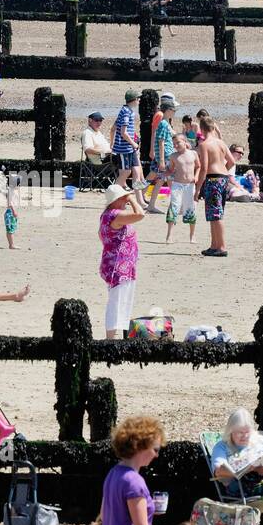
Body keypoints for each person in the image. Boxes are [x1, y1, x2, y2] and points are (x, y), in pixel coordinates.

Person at [99, 183, 142, 340]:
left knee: (123, 299)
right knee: (117, 301)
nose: (125, 200)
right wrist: (132, 199)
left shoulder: (107, 214)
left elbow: (101, 235)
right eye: (123, 198)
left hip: (121, 264)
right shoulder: (115, 214)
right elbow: (140, 214)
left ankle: (117, 335)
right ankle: (110, 337)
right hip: (118, 265)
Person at [195, 116, 229, 256]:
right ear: (213, 128)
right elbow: (232, 161)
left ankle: (221, 246)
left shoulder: (204, 144)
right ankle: (214, 245)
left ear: (202, 130)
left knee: (216, 214)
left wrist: (197, 189)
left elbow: (204, 167)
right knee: (213, 213)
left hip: (213, 179)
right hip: (223, 178)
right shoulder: (221, 143)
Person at [109, 89, 144, 205]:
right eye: (138, 99)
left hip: (130, 148)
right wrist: (133, 143)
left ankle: (140, 200)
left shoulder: (127, 111)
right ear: (134, 100)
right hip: (125, 148)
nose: (139, 101)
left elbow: (113, 128)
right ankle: (112, 194)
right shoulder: (126, 112)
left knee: (137, 172)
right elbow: (123, 132)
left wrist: (112, 142)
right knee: (125, 173)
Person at [163, 134, 198, 243]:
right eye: (174, 144)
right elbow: (171, 170)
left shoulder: (193, 154)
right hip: (177, 185)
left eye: (178, 142)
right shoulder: (173, 156)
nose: (176, 145)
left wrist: (196, 176)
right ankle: (169, 235)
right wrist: (164, 172)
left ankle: (192, 236)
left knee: (190, 208)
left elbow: (199, 166)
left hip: (190, 185)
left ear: (185, 142)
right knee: (174, 207)